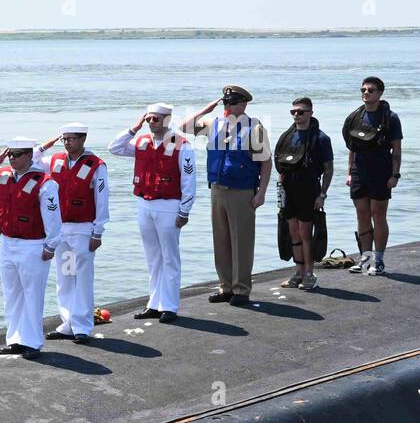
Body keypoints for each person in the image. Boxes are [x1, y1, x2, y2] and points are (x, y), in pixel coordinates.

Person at [0, 138, 61, 358]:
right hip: (8, 242)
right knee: (11, 294)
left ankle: (32, 342)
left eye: (18, 154)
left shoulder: (44, 182)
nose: (12, 158)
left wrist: (51, 245)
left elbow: (53, 217)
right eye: (10, 154)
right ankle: (15, 339)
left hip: (33, 244)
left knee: (32, 294)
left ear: (30, 156)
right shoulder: (2, 176)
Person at [183, 85, 272, 306]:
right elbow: (184, 126)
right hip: (217, 189)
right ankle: (226, 287)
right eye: (225, 103)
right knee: (221, 240)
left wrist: (261, 193)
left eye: (232, 103)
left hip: (242, 190)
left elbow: (266, 162)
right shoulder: (214, 124)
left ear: (243, 105)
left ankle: (241, 289)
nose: (227, 107)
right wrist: (207, 108)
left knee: (241, 241)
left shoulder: (254, 127)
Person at [108, 103, 196, 323]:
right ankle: (154, 304)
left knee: (170, 258)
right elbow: (114, 148)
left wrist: (184, 210)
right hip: (144, 204)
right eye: (148, 119)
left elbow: (189, 180)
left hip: (169, 205)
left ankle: (170, 305)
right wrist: (133, 128)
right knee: (153, 258)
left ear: (167, 119)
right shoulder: (141, 141)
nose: (150, 123)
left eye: (155, 119)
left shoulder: (181, 145)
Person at [31, 123, 109, 343]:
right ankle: (68, 323)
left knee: (83, 278)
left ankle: (83, 326)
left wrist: (98, 231)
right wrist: (48, 143)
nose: (67, 143)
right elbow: (34, 160)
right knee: (65, 277)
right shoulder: (54, 161)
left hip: (83, 228)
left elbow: (102, 199)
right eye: (64, 139)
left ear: (83, 139)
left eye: (71, 139)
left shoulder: (96, 164)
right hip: (60, 229)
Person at [343, 76, 403, 275]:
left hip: (381, 171)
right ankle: (365, 259)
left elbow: (396, 150)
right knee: (362, 214)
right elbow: (352, 147)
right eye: (363, 90)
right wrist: (350, 172)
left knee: (378, 215)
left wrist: (395, 175)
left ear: (379, 93)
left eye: (370, 90)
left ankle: (379, 261)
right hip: (359, 171)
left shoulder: (390, 117)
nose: (365, 93)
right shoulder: (355, 117)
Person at [274, 98, 334, 290]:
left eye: (300, 111)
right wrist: (280, 191)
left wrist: (322, 195)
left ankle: (309, 273)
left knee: (306, 233)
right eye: (293, 112)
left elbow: (328, 169)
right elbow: (279, 163)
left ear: (310, 113)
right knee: (293, 232)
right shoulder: (286, 136)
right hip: (288, 189)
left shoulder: (321, 139)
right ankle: (298, 272)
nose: (296, 115)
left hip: (309, 189)